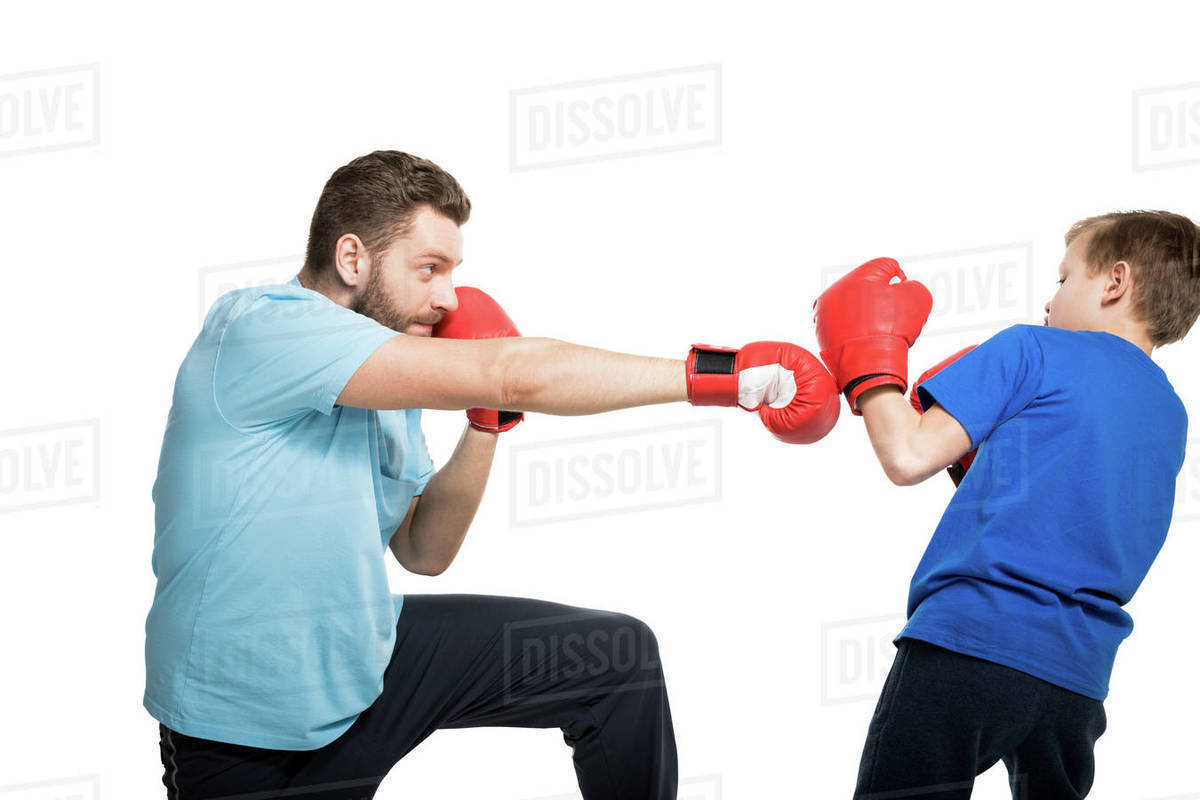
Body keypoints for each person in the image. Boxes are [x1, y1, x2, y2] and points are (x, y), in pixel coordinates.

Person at [145, 150, 840, 799]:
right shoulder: (261, 329)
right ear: (352, 258)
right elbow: (517, 369)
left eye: (453, 272)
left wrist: (487, 422)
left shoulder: (391, 379)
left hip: (363, 656)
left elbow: (425, 551)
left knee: (618, 660)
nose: (450, 298)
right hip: (242, 723)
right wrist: (725, 378)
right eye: (429, 269)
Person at [812, 210, 1200, 799]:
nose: (1050, 301)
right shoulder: (1171, 415)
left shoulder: (1033, 348)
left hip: (968, 644)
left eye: (1064, 279)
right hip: (1076, 683)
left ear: (1114, 282)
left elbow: (908, 454)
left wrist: (869, 366)